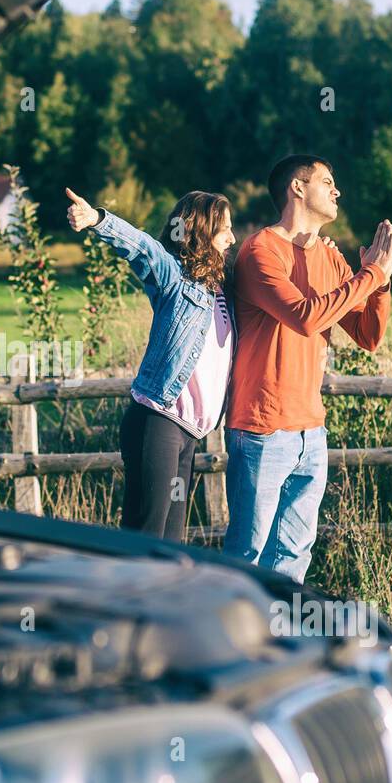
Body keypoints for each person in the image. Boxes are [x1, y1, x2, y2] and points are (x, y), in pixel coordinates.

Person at [224, 154, 392, 583]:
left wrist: (381, 283)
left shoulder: (331, 259)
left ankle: (279, 645)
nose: (337, 191)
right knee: (247, 553)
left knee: (293, 558)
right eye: (327, 181)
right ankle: (225, 642)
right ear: (297, 188)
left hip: (311, 431)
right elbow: (304, 315)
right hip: (262, 428)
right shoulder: (260, 251)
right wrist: (370, 273)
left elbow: (368, 335)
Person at [65, 187, 235, 542]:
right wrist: (98, 219)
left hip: (189, 434)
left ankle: (161, 598)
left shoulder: (223, 288)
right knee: (145, 537)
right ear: (203, 231)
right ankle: (120, 597)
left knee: (171, 542)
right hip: (158, 425)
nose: (232, 238)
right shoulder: (175, 278)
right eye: (225, 230)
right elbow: (142, 248)